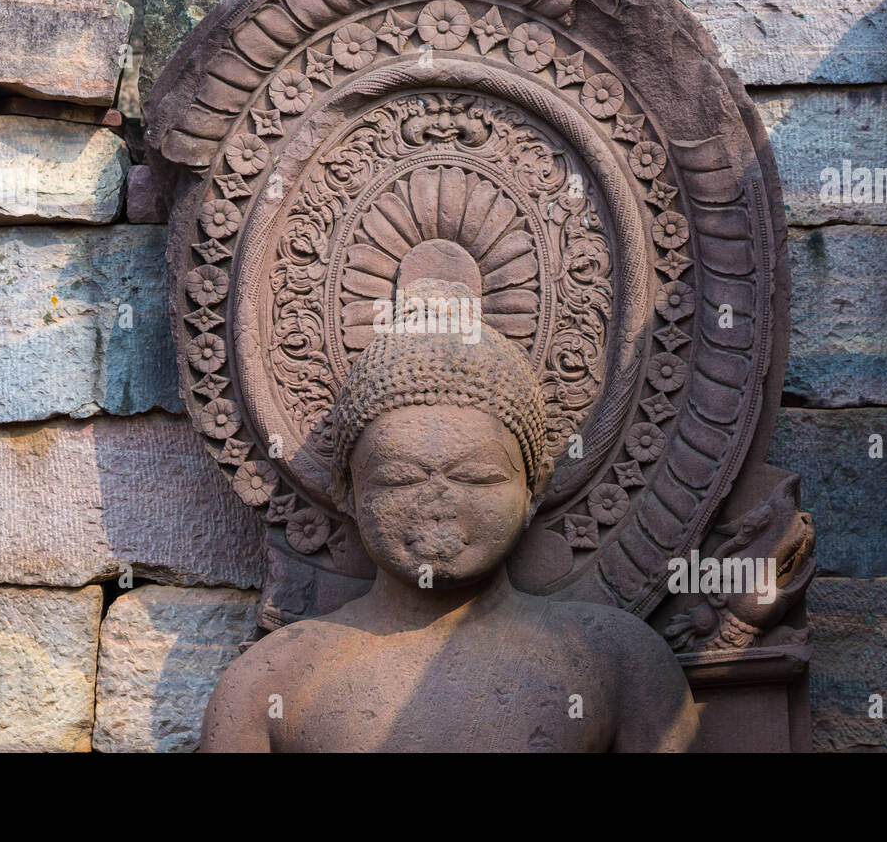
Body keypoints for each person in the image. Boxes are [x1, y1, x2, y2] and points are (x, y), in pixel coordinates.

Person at [200, 279, 698, 752]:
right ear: (347, 492)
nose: (437, 503)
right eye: (399, 480)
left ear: (533, 489)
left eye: (477, 478)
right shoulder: (273, 679)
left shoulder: (617, 659)